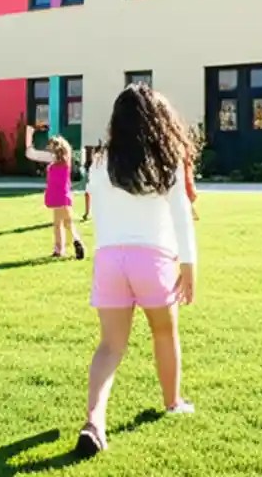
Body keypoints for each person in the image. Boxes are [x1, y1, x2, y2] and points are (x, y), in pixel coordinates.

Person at [76, 83, 197, 458]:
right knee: (164, 333)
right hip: (154, 259)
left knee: (110, 346)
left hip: (109, 260)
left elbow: (96, 210)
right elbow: (181, 213)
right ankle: (173, 401)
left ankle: (94, 421)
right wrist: (190, 265)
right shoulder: (167, 159)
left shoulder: (99, 162)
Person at [26, 126, 85, 259]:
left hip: (56, 196)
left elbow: (30, 154)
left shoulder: (53, 160)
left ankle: (75, 241)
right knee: (63, 222)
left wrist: (29, 134)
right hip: (64, 195)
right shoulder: (65, 160)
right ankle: (60, 248)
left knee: (63, 223)